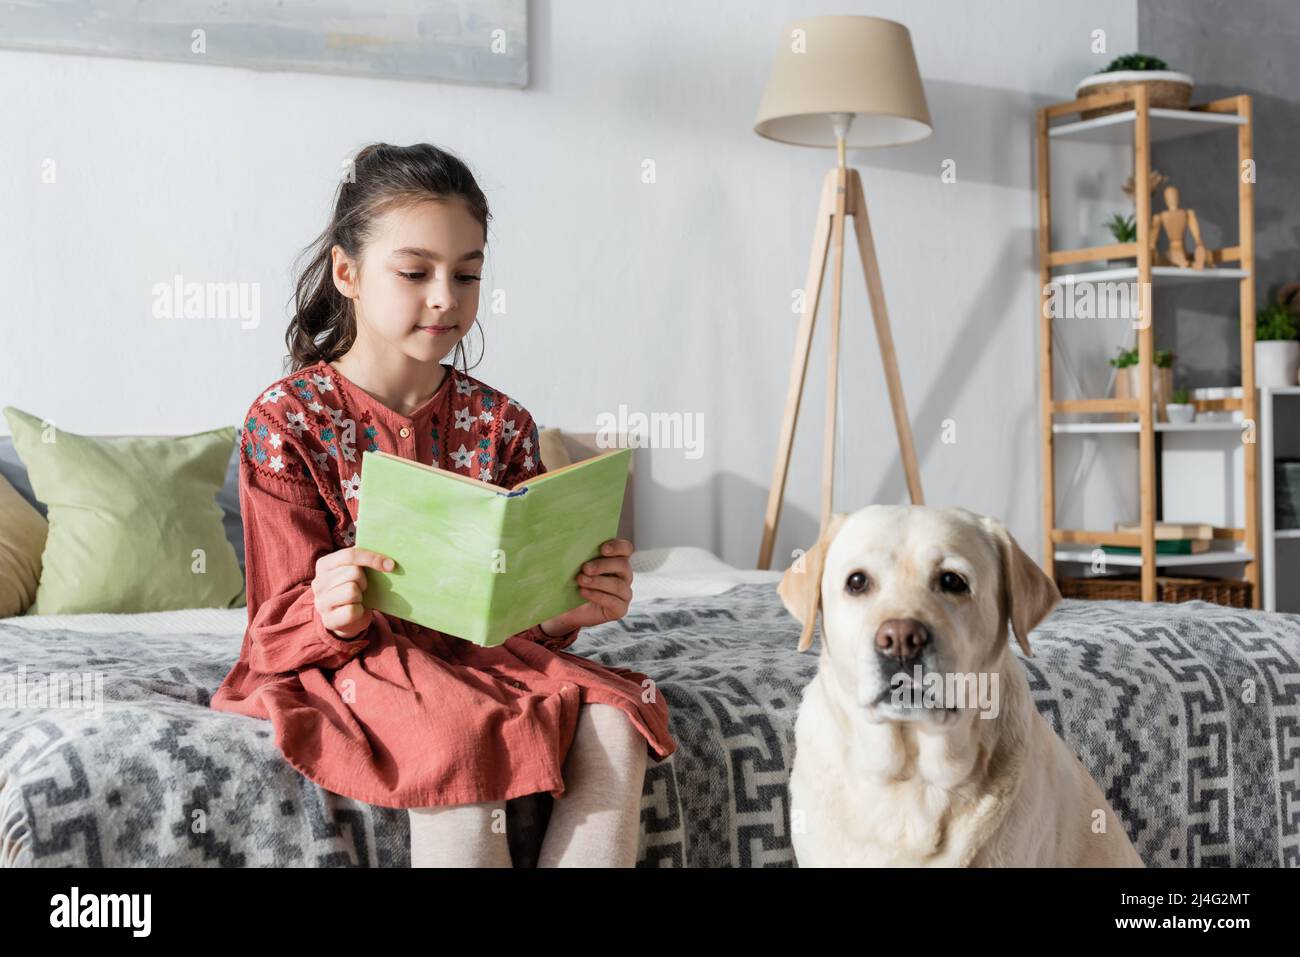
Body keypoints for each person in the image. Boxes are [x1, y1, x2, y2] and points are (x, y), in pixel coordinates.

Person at [210, 142, 676, 867]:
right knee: (459, 736)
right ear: (347, 272)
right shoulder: (284, 420)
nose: (445, 297)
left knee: (622, 716)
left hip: (482, 654)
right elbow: (272, 631)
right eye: (415, 271)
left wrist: (566, 607)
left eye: (467, 274)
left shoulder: (504, 424)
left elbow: (519, 602)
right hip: (354, 660)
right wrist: (332, 607)